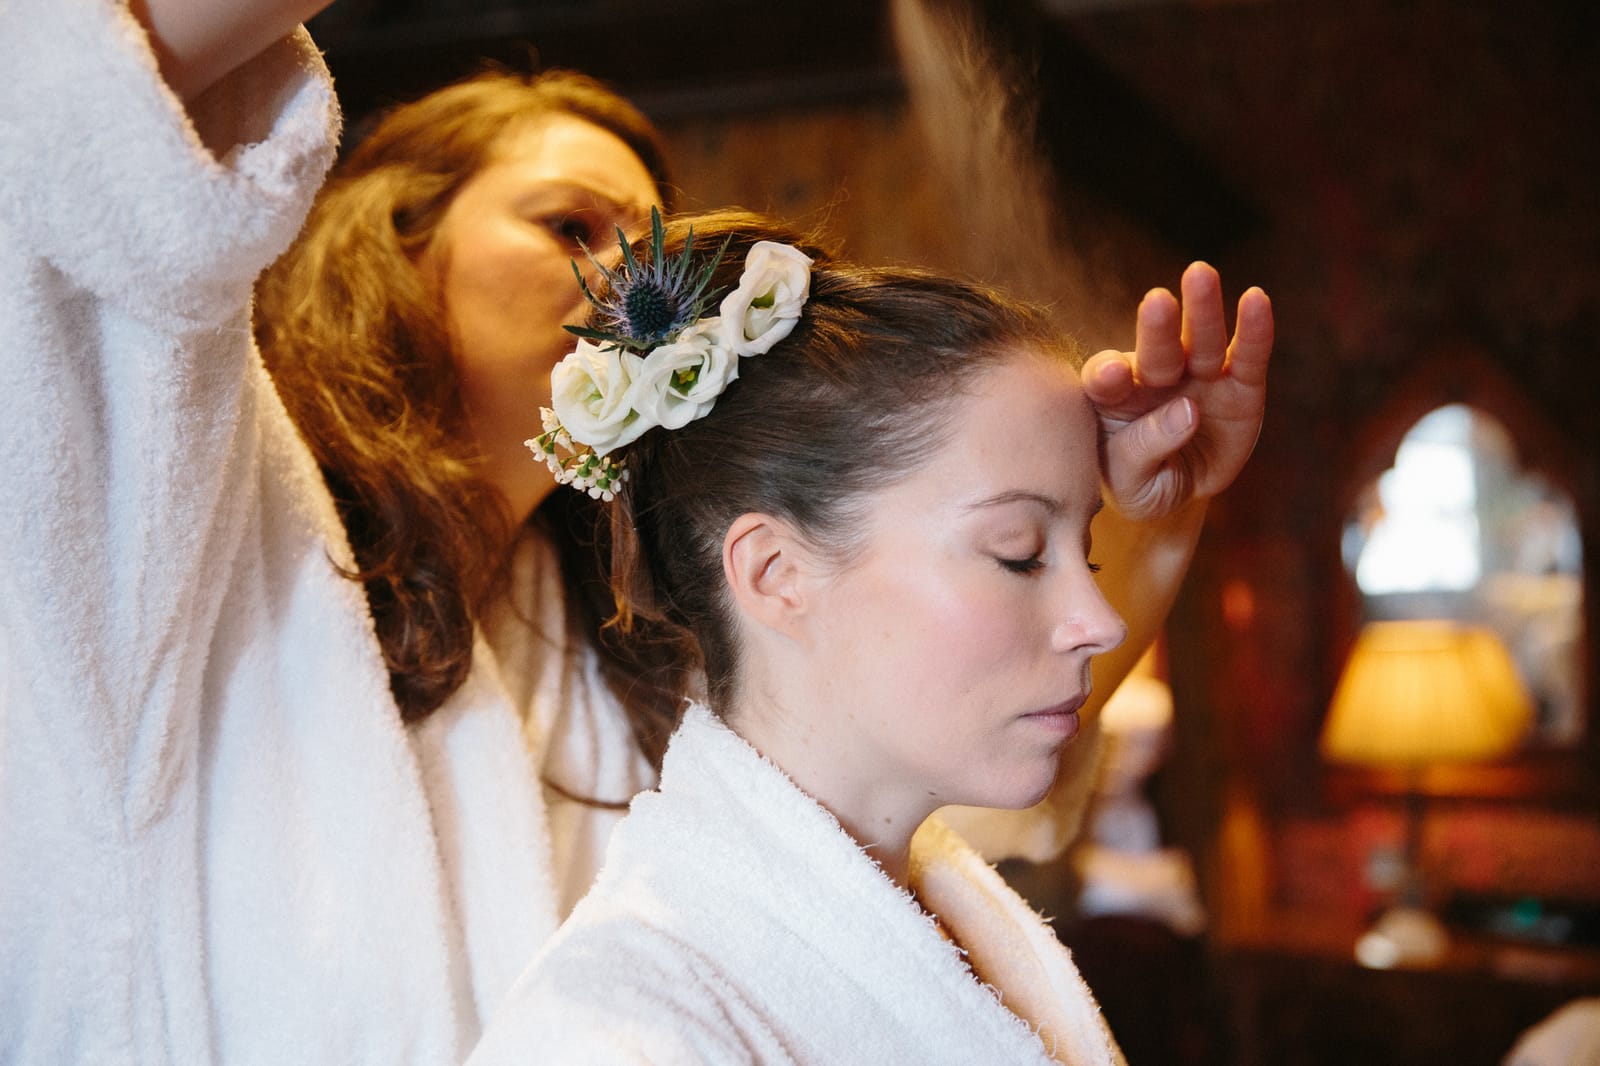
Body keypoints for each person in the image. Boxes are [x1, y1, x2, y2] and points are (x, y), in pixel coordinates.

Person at [0, 1, 1268, 1062]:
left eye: (656, 254)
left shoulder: (619, 644)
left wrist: (1149, 526)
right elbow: (76, 131)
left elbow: (942, 731)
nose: (630, 291)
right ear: (401, 235)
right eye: (570, 226)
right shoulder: (207, 533)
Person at [466, 210, 1272, 1065]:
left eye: (1089, 555)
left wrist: (1173, 517)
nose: (1101, 624)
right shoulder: (611, 1034)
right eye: (1020, 554)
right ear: (775, 572)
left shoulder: (948, 921)